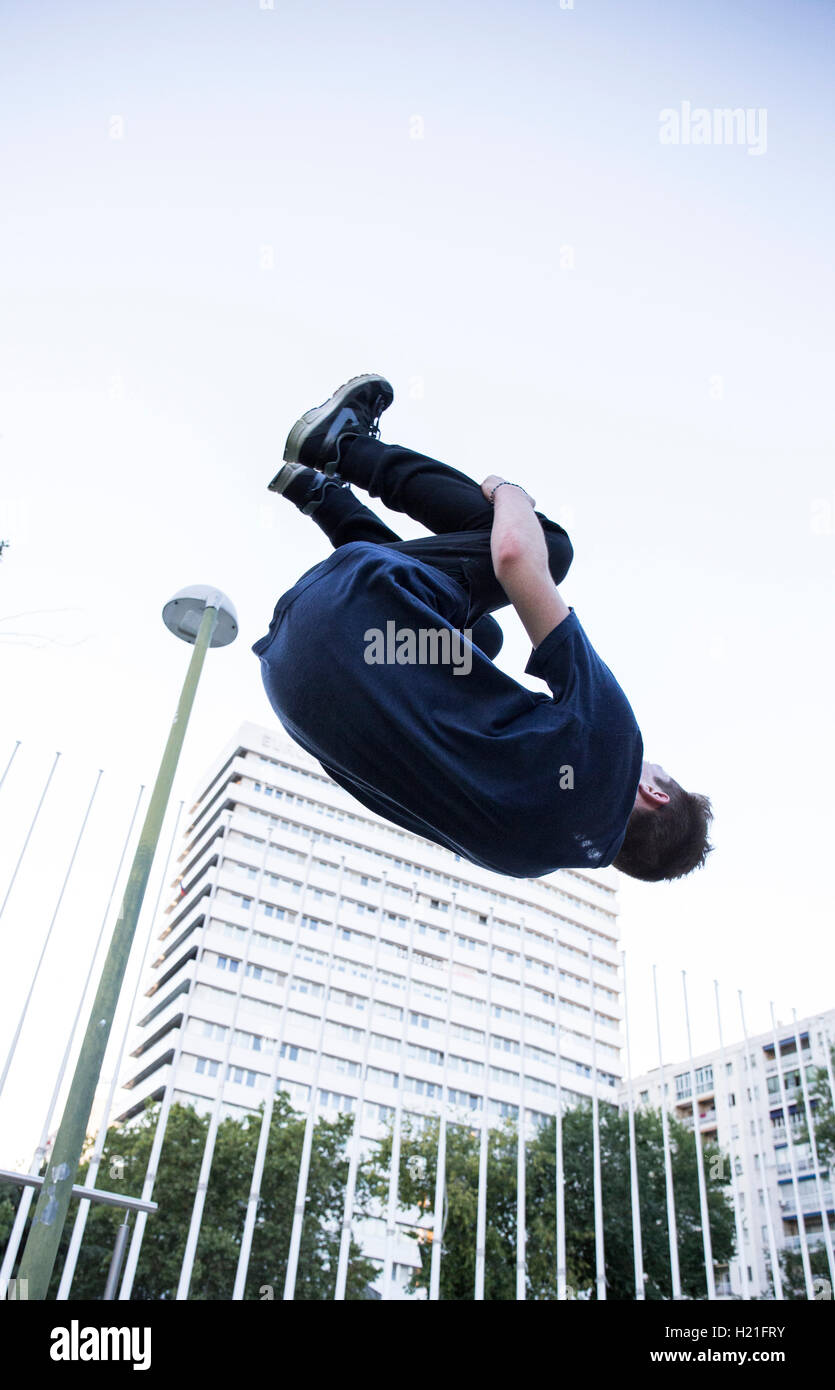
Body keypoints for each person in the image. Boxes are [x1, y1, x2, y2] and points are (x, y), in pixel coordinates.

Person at [253, 375, 713, 882]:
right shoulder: (523, 859)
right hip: (292, 676)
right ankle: (321, 497)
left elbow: (516, 559)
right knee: (478, 639)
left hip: (350, 607)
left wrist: (511, 495)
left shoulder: (613, 743)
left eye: (655, 772)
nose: (646, 767)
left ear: (656, 793)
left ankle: (342, 446)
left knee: (550, 547)